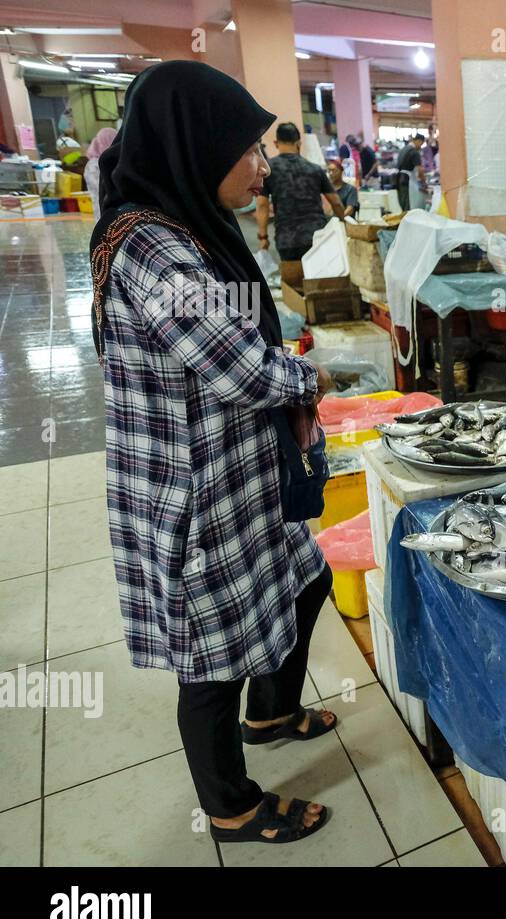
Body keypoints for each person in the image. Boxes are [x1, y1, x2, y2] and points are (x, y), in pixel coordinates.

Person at [89, 61, 338, 845]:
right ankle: (229, 805)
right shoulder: (153, 250)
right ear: (197, 148)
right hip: (192, 488)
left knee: (307, 577)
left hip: (240, 472)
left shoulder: (187, 221)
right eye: (250, 150)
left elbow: (234, 341)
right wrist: (311, 374)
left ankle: (270, 712)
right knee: (211, 657)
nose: (263, 168)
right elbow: (237, 368)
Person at [255, 122, 345, 263]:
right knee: (319, 279)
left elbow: (262, 205)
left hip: (287, 241)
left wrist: (263, 237)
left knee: (294, 282)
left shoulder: (269, 170)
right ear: (299, 143)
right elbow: (336, 202)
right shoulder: (315, 169)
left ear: (276, 143)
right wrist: (343, 224)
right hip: (317, 238)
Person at [82, 127, 117, 222]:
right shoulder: (93, 165)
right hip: (102, 206)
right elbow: (100, 187)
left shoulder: (109, 161)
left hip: (112, 207)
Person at [395, 133, 426, 211]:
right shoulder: (414, 152)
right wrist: (424, 182)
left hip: (400, 178)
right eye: (421, 144)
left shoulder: (404, 149)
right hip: (407, 180)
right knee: (408, 204)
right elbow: (420, 170)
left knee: (403, 202)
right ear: (418, 141)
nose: (420, 147)